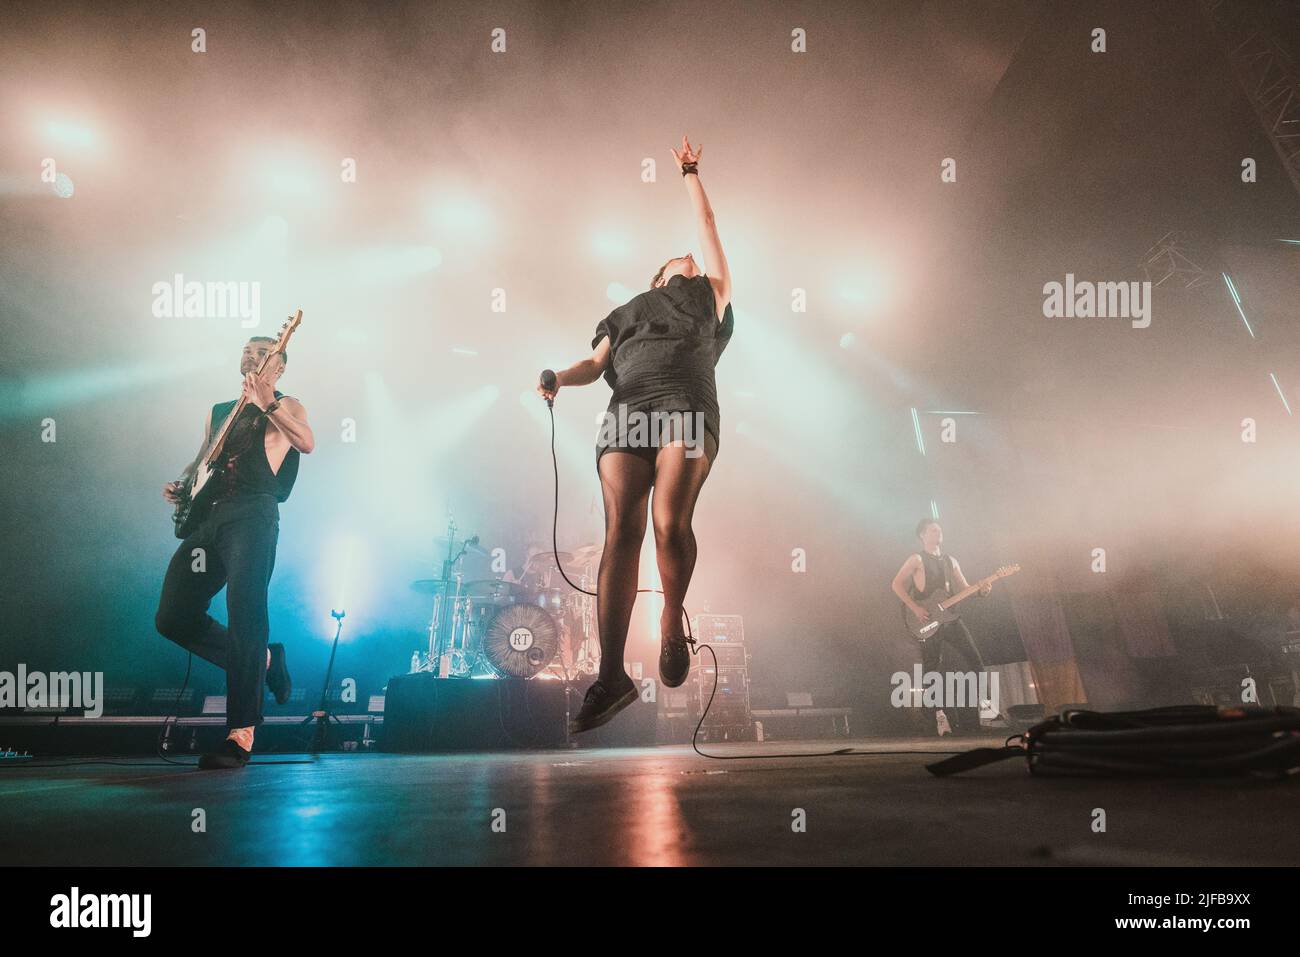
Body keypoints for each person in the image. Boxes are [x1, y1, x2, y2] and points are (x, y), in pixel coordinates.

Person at [539, 136, 734, 733]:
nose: (692, 260)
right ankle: (612, 675)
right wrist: (557, 378)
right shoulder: (626, 311)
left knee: (669, 522)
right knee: (620, 530)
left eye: (695, 260)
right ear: (658, 275)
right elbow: (594, 365)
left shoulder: (710, 295)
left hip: (685, 406)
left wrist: (690, 172)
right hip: (627, 410)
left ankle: (671, 617)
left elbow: (706, 225)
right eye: (682, 259)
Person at [156, 336, 315, 769]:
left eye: (262, 352)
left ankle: (240, 733)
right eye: (246, 350)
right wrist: (183, 485)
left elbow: (305, 442)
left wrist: (268, 403)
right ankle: (263, 658)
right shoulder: (218, 411)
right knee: (172, 617)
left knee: (246, 613)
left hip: (252, 516)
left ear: (278, 366)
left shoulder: (289, 404)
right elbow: (202, 459)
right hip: (209, 519)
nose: (250, 356)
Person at [891, 518, 992, 735]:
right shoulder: (916, 559)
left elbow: (964, 589)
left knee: (975, 661)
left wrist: (981, 590)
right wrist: (915, 608)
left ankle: (987, 710)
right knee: (931, 670)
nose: (938, 533)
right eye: (933, 530)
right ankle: (939, 715)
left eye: (939, 530)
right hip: (927, 620)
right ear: (922, 535)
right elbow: (896, 584)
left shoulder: (950, 561)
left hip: (950, 619)